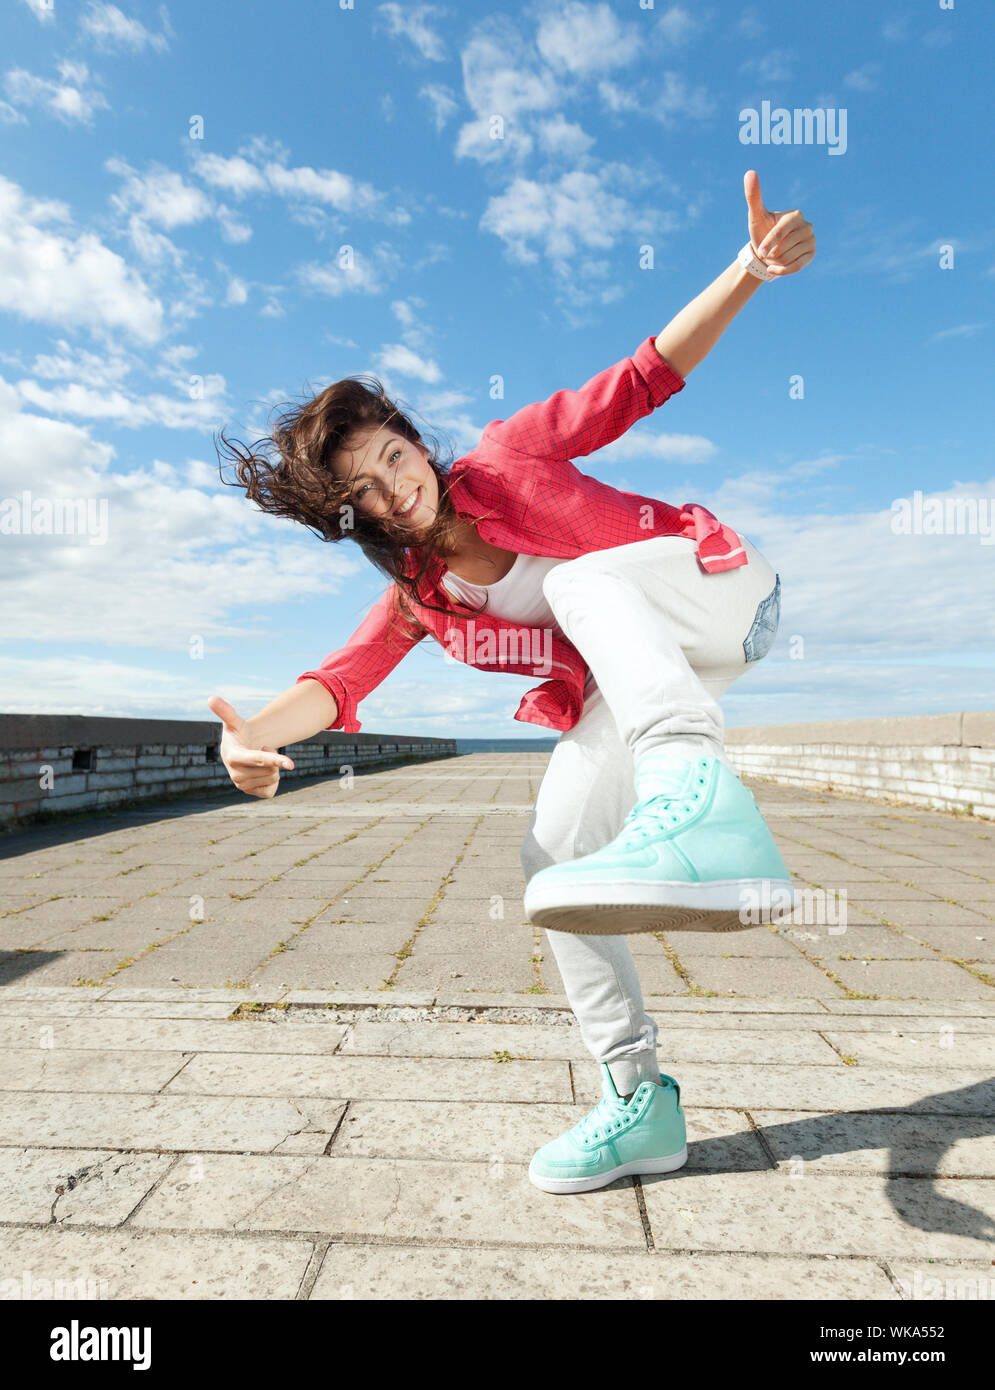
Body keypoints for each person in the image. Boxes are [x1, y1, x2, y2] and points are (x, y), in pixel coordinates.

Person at [209, 170, 816, 1194]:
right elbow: (339, 678)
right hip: (650, 679)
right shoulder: (421, 597)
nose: (397, 486)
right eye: (367, 491)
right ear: (354, 517)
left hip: (720, 595)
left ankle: (695, 799)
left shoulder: (510, 455)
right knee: (556, 862)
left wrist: (747, 268)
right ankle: (638, 1103)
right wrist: (253, 732)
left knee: (581, 579)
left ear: (414, 439)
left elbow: (641, 376)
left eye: (395, 456)